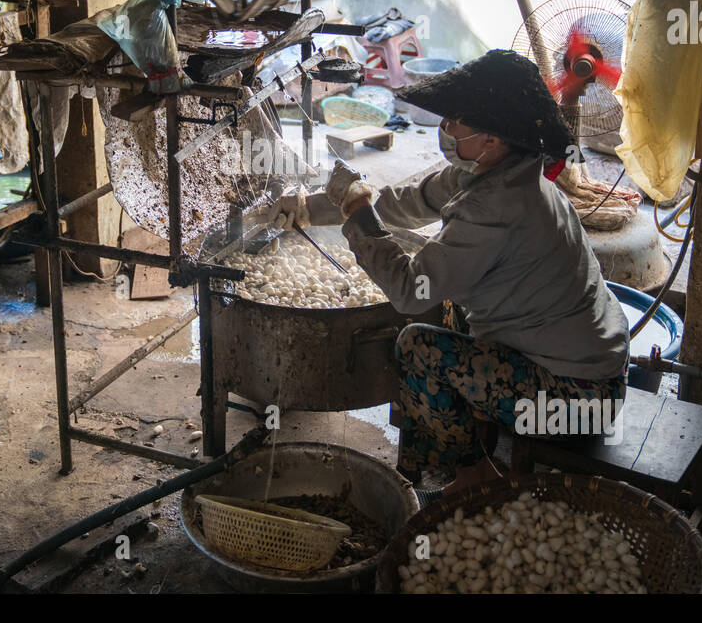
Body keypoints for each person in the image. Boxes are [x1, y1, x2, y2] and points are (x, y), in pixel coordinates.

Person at [269, 50, 629, 496]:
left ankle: (475, 476)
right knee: (445, 310)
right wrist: (310, 207)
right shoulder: (496, 172)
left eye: (458, 120)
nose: (446, 127)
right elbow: (405, 201)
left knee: (419, 346)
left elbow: (407, 290)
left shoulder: (497, 207)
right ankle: (434, 458)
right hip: (579, 360)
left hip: (577, 400)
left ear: (492, 139)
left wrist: (358, 212)